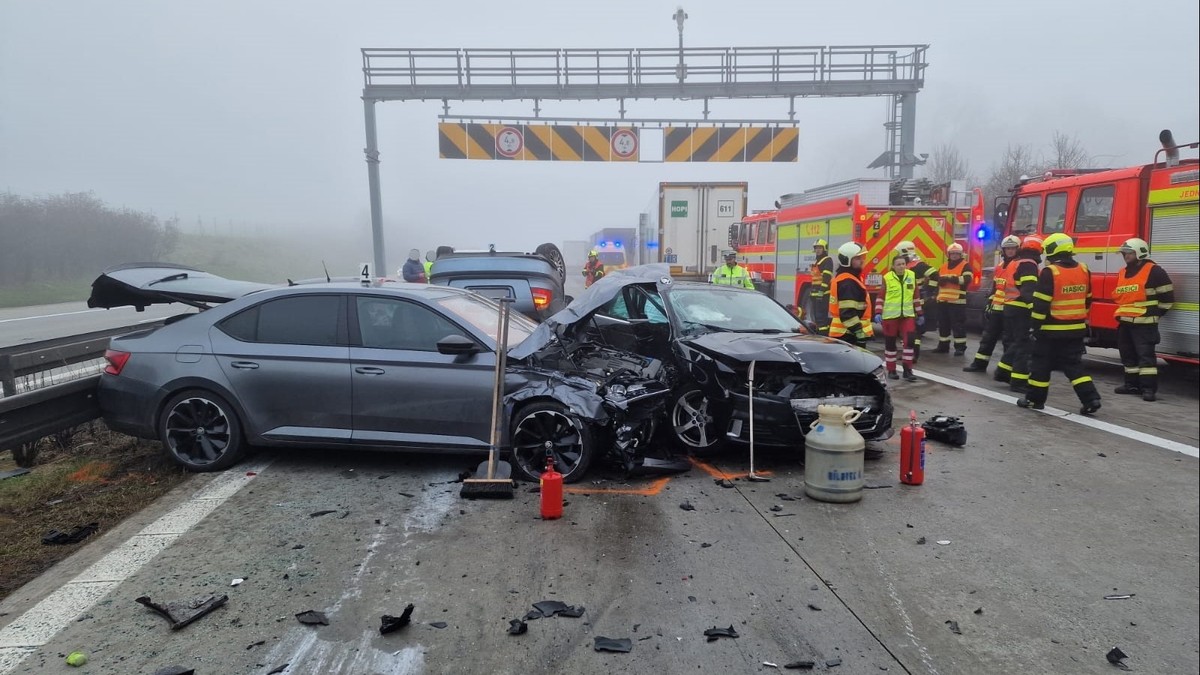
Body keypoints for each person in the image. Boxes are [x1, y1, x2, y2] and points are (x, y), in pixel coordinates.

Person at [1017, 233, 1101, 414]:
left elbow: (1040, 304)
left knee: (1040, 365)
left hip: (1050, 330)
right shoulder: (1084, 269)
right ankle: (1091, 399)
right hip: (1076, 329)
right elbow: (1088, 299)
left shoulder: (1050, 272)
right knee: (1074, 366)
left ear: (1053, 249)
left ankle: (1034, 400)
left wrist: (1034, 327)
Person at [1112, 237, 1175, 401]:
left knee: (1146, 358)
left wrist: (1156, 314)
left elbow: (1168, 297)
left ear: (1140, 253)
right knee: (1128, 356)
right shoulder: (1122, 272)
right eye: (1124, 253)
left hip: (1145, 324)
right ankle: (1131, 385)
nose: (1125, 256)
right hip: (1125, 323)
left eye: (1129, 253)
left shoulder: (1155, 271)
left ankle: (1148, 389)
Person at [964, 235, 1021, 374]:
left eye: (1013, 248)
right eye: (1008, 248)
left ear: (1017, 249)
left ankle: (1007, 370)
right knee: (988, 338)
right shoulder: (1000, 266)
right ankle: (979, 364)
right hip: (996, 309)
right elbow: (995, 287)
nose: (1010, 251)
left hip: (1010, 309)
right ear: (1004, 250)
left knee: (1008, 341)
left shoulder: (1020, 265)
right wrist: (989, 302)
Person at [995, 235, 1042, 391]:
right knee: (1024, 346)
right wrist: (1034, 309)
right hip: (1021, 308)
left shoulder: (1016, 262)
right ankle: (1018, 382)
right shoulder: (1029, 264)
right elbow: (1028, 289)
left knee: (1018, 342)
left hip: (1010, 307)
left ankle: (1002, 371)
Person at [874, 252, 921, 381]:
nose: (901, 266)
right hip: (890, 316)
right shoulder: (887, 278)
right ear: (893, 266)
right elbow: (880, 297)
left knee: (909, 342)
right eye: (898, 264)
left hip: (907, 316)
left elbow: (916, 296)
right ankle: (892, 370)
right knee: (890, 345)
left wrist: (920, 313)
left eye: (903, 264)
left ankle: (908, 370)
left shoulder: (911, 276)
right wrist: (878, 312)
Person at [892, 240, 937, 363]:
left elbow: (935, 275)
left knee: (914, 331)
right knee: (904, 330)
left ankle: (913, 355)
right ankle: (908, 352)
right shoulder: (906, 266)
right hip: (906, 302)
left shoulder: (919, 265)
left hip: (916, 302)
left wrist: (930, 290)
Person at [827, 242, 873, 347]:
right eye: (857, 258)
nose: (862, 261)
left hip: (845, 334)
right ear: (847, 260)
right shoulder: (848, 282)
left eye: (862, 257)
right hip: (848, 335)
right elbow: (847, 313)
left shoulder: (848, 278)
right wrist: (859, 333)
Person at [933, 242, 974, 355]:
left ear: (961, 254)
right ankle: (943, 346)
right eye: (952, 253)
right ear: (949, 255)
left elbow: (967, 279)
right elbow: (937, 280)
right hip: (943, 301)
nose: (954, 255)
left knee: (958, 325)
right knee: (943, 325)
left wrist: (950, 278)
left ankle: (960, 348)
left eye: (957, 254)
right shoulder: (943, 266)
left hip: (957, 301)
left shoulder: (965, 265)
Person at [808, 239, 834, 333]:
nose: (818, 250)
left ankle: (823, 336)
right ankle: (819, 334)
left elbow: (826, 278)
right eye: (816, 248)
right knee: (816, 318)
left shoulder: (827, 260)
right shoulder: (817, 261)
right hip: (815, 294)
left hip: (823, 295)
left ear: (824, 249)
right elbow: (815, 280)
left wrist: (821, 291)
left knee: (821, 318)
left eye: (820, 248)